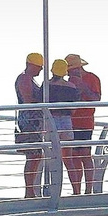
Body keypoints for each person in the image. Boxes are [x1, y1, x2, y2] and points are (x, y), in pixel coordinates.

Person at [65, 53, 101, 194]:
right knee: (74, 156)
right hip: (71, 121)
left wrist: (83, 87)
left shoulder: (92, 78)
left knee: (85, 154)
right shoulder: (68, 81)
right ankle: (77, 190)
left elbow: (96, 98)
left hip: (85, 122)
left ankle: (89, 189)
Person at [44, 59, 79, 192]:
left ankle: (53, 191)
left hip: (51, 120)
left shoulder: (47, 86)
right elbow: (73, 109)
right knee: (67, 159)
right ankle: (76, 190)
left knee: (52, 157)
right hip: (65, 120)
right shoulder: (71, 87)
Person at [15, 53, 45, 197]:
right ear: (32, 65)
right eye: (39, 67)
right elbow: (27, 99)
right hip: (29, 122)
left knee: (36, 155)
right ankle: (29, 191)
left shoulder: (29, 79)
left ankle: (31, 190)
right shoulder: (24, 79)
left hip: (33, 121)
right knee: (33, 154)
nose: (40, 70)